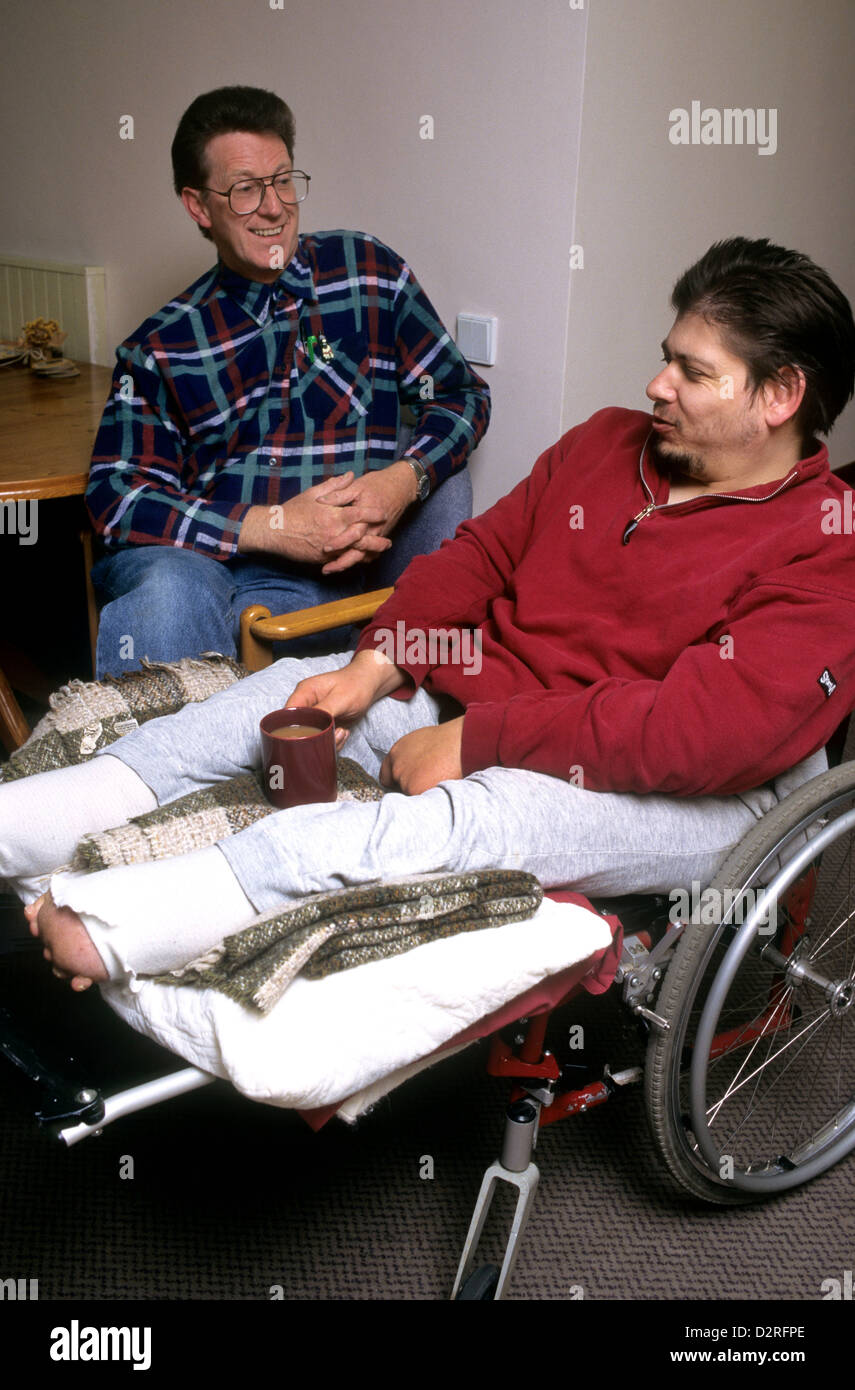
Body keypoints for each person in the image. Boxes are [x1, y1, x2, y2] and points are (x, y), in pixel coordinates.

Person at [9, 235, 855, 993]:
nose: (655, 384)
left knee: (474, 820)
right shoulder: (606, 441)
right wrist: (370, 668)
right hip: (494, 699)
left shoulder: (826, 545)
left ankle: (134, 921)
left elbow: (696, 732)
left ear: (780, 396)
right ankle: (39, 819)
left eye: (693, 372)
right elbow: (479, 557)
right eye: (665, 356)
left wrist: (477, 742)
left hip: (674, 793)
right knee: (294, 690)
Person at [85, 86, 490, 678]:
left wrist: (402, 481)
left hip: (363, 563)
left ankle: (413, 713)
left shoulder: (368, 273)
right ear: (199, 206)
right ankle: (152, 766)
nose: (274, 207)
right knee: (166, 592)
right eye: (245, 189)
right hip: (223, 568)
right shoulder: (162, 346)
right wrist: (270, 528)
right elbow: (116, 495)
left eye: (283, 181)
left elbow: (460, 395)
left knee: (445, 489)